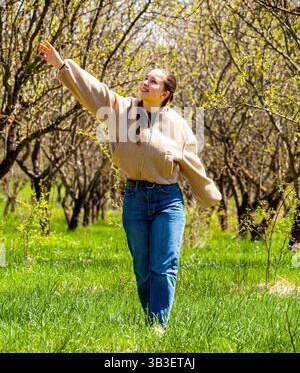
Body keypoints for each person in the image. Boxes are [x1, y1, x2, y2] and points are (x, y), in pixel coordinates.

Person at [37, 40, 222, 332]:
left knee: (163, 267)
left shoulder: (179, 126)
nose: (144, 82)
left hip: (167, 202)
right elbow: (93, 90)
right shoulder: (120, 109)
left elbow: (193, 165)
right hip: (134, 198)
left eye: (153, 80)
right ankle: (151, 320)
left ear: (165, 93)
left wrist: (210, 197)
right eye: (145, 77)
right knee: (143, 269)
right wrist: (62, 66)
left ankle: (158, 327)